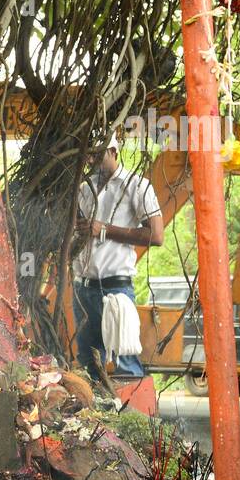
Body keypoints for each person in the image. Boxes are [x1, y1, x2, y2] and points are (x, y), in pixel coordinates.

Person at [72, 136, 164, 381]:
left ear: (113, 150)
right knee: (90, 366)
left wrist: (104, 229)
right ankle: (96, 419)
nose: (90, 159)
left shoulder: (137, 185)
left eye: (96, 154)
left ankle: (134, 417)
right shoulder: (84, 188)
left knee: (126, 364)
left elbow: (156, 235)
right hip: (82, 288)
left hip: (116, 288)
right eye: (88, 155)